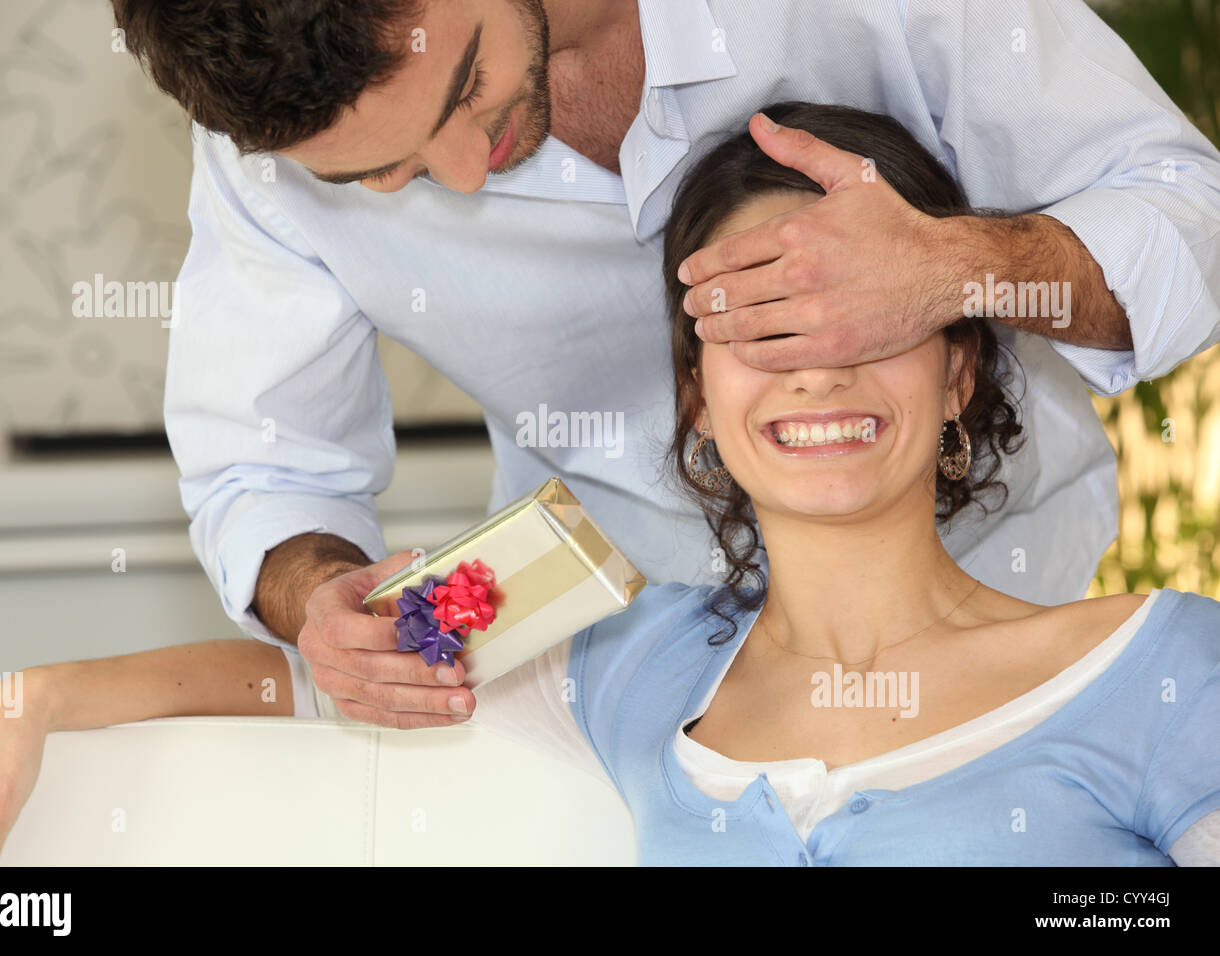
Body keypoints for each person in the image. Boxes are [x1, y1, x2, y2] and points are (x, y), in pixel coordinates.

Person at [0, 102, 1216, 867]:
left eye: (859, 323)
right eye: (756, 329)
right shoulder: (626, 647)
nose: (813, 372)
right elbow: (316, 672)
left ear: (962, 368)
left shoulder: (1168, 672)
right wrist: (39, 695)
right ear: (698, 393)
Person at [109, 0, 1220, 730]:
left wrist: (957, 266)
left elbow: (1194, 215)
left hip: (1009, 600)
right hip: (607, 670)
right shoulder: (268, 146)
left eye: (464, 91)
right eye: (377, 177)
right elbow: (262, 472)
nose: (456, 174)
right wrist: (316, 600)